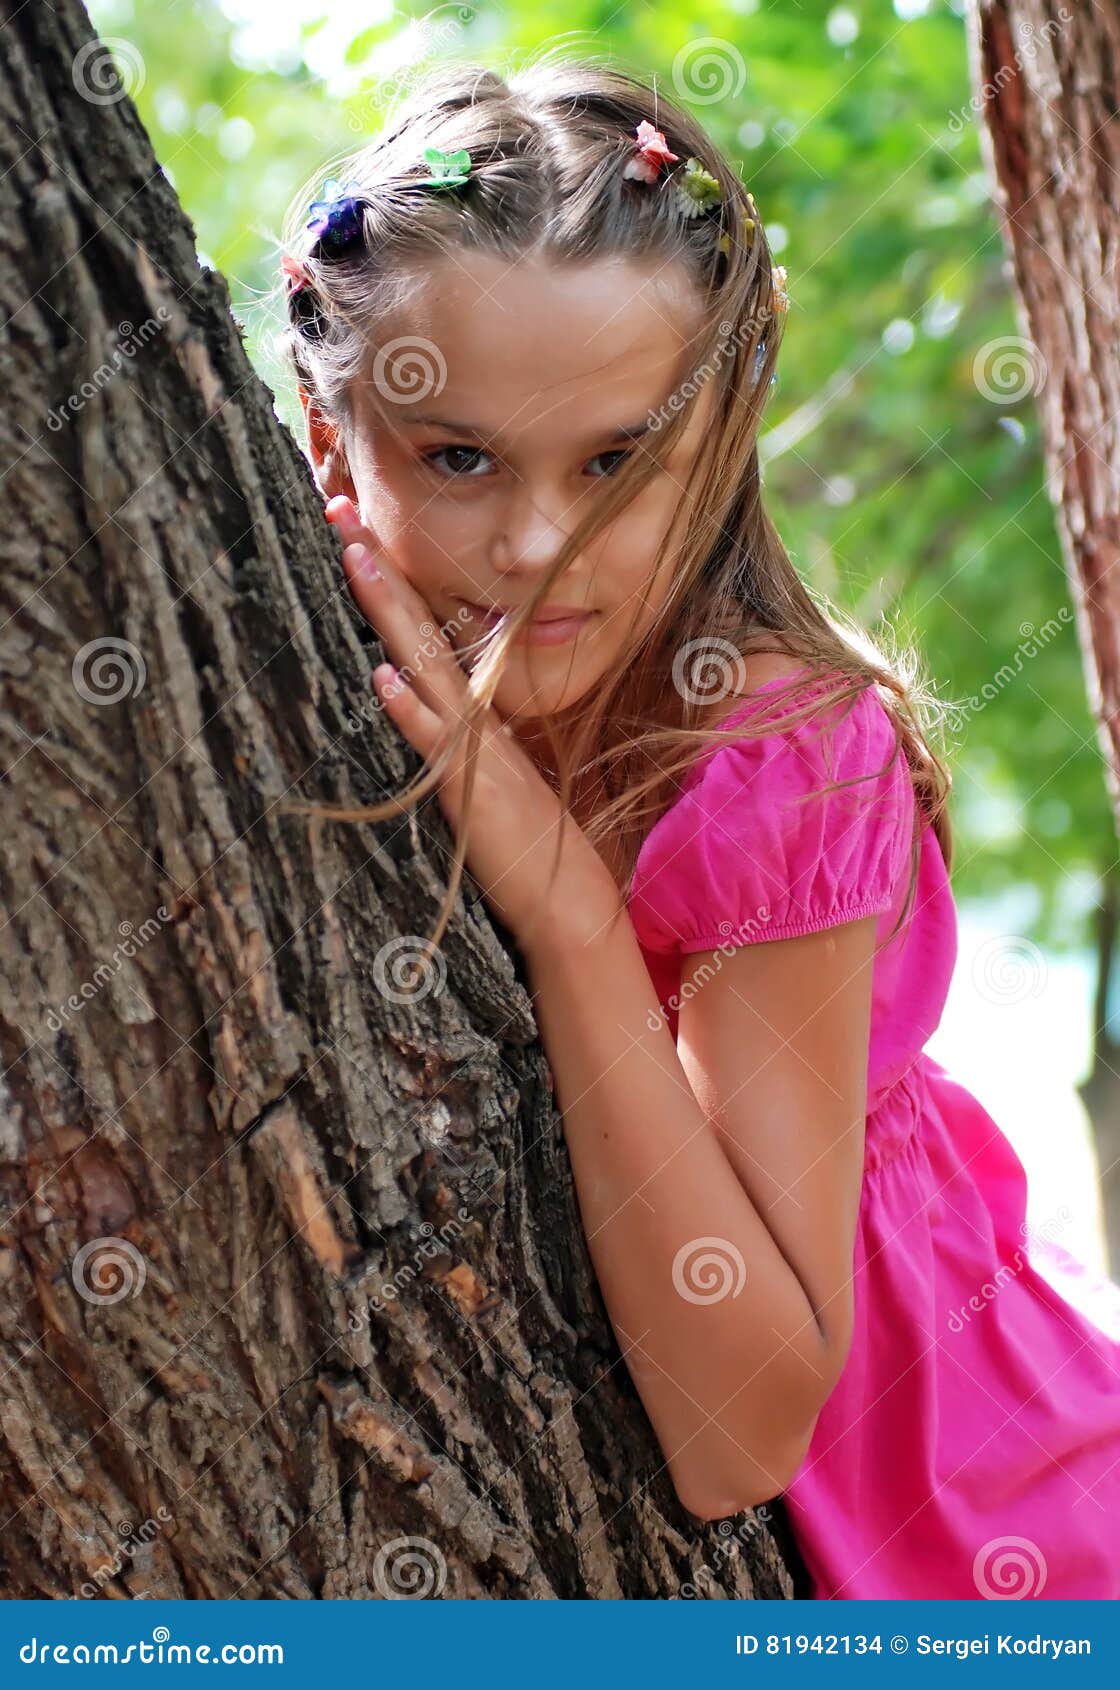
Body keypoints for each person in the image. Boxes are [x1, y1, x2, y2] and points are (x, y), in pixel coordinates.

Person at [278, 56, 1120, 1599]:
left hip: (1006, 1545)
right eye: (456, 457)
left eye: (616, 461)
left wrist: (576, 920)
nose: (536, 545)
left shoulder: (775, 762)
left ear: (724, 427)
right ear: (336, 438)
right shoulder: (310, 677)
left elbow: (739, 1434)